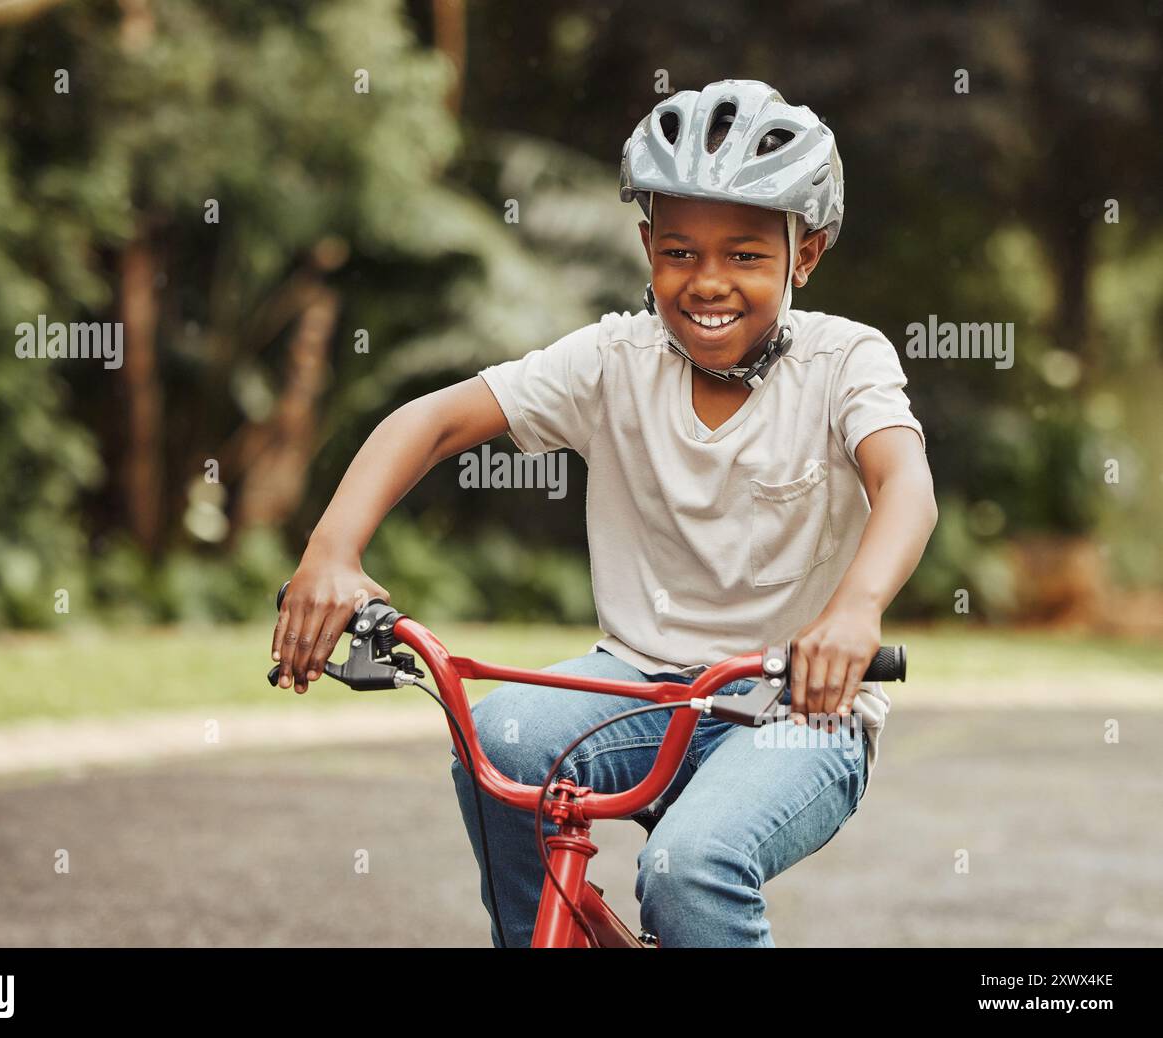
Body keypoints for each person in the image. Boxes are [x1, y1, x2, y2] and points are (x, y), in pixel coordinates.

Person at [270, 79, 938, 947]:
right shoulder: (612, 360)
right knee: (497, 737)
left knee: (689, 870)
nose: (708, 283)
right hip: (635, 687)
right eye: (679, 252)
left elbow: (906, 486)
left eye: (745, 256)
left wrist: (853, 612)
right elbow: (430, 422)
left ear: (803, 255)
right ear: (645, 247)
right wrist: (331, 552)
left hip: (798, 711)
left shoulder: (845, 360)